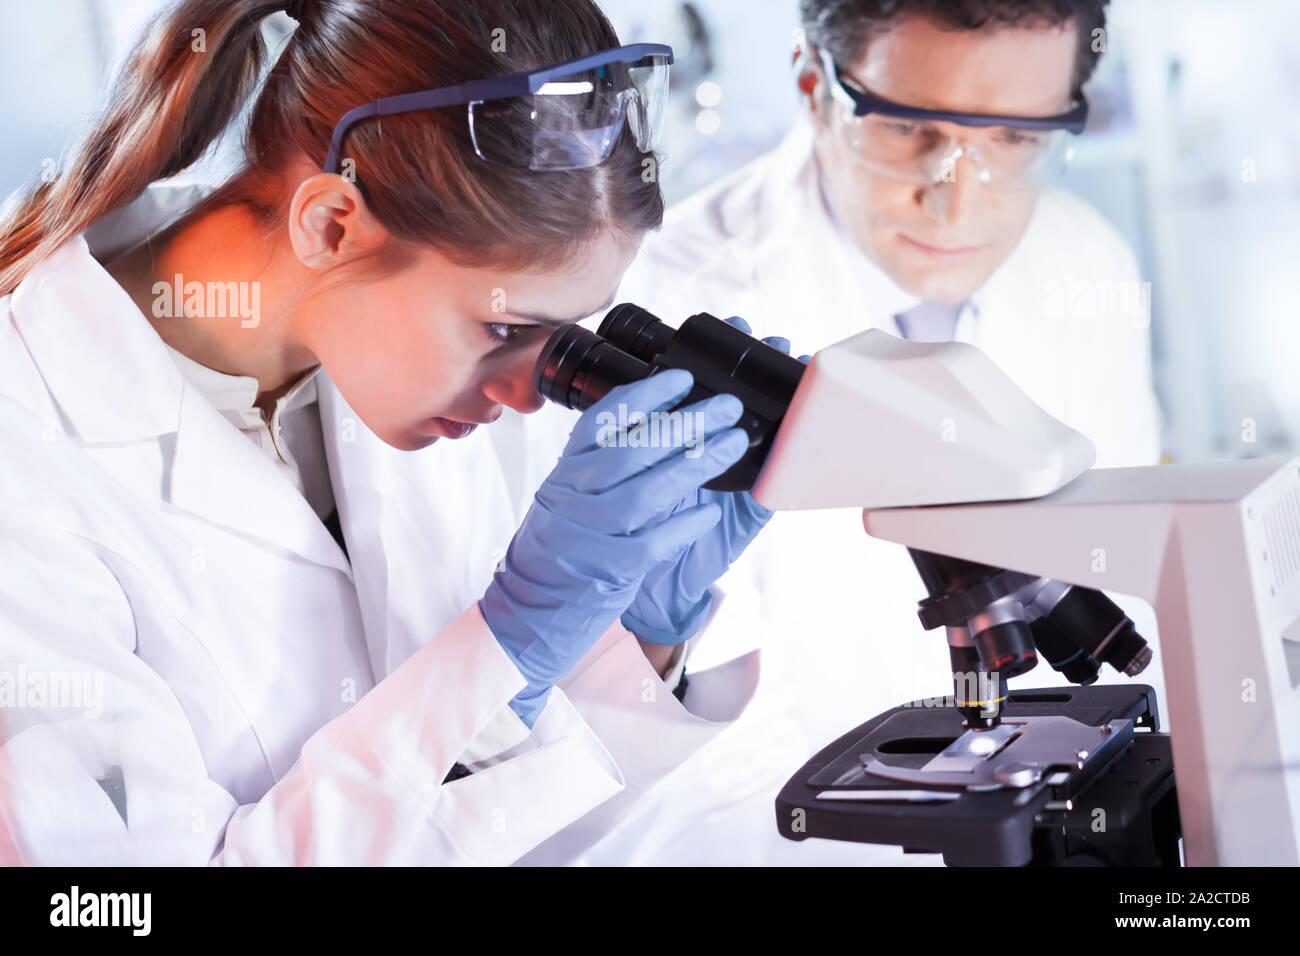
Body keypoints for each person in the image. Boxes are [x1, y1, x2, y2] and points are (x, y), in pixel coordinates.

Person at [0, 0, 791, 865]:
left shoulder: (400, 383)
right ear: (330, 223)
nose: (531, 392)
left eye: (565, 335)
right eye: (503, 329)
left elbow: (480, 825)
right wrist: (507, 637)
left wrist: (635, 635)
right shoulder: (25, 462)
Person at [508, 0, 1168, 864]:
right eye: (908, 129)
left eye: (1015, 138)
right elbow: (596, 783)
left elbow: (1130, 561)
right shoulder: (665, 293)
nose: (957, 195)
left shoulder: (1090, 265)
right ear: (814, 86)